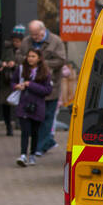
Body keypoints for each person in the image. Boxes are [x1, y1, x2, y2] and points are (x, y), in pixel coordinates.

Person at [20, 20, 67, 156]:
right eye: (32, 34)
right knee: (35, 117)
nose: (34, 37)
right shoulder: (27, 41)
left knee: (47, 116)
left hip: (50, 86)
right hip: (32, 88)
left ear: (43, 30)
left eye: (36, 35)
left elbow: (61, 60)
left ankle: (40, 147)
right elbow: (18, 56)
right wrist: (28, 60)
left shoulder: (56, 41)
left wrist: (42, 64)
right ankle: (45, 143)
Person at [11, 48, 54, 167]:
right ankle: (23, 155)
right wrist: (17, 86)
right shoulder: (21, 69)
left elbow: (47, 90)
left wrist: (31, 85)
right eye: (29, 56)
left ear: (39, 58)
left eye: (33, 56)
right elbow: (13, 82)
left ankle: (33, 154)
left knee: (35, 132)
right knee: (25, 131)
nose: (30, 58)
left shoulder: (45, 73)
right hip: (24, 104)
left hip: (37, 106)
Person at [1, 23, 26, 137]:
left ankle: (21, 125)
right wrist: (6, 64)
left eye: (18, 41)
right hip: (8, 80)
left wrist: (16, 64)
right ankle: (8, 126)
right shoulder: (7, 49)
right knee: (5, 103)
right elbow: (2, 60)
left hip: (20, 79)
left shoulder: (26, 50)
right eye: (14, 40)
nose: (16, 43)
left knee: (21, 104)